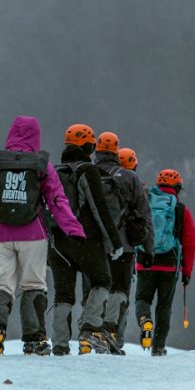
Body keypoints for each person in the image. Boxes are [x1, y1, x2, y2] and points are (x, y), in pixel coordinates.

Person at [0, 116, 84, 355]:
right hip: (33, 235)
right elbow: (57, 200)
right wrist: (73, 229)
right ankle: (34, 340)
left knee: (0, 285)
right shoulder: (41, 164)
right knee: (33, 284)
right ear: (36, 136)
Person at [48, 124, 125, 355]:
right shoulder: (87, 171)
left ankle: (59, 344)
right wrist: (114, 242)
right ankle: (90, 328)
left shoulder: (54, 171)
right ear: (89, 146)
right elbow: (99, 208)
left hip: (57, 240)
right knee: (102, 280)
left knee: (63, 293)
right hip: (86, 239)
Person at [86, 133, 152, 352]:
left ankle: (89, 333)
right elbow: (145, 216)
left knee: (95, 287)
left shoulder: (89, 172)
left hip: (94, 242)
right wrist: (148, 249)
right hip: (124, 244)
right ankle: (110, 332)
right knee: (119, 289)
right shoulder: (130, 178)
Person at [135, 168, 195, 356]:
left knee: (142, 299)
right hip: (169, 265)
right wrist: (187, 273)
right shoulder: (181, 210)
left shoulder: (145, 202)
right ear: (177, 188)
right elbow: (189, 244)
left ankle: (145, 319)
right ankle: (158, 347)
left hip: (146, 260)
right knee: (164, 306)